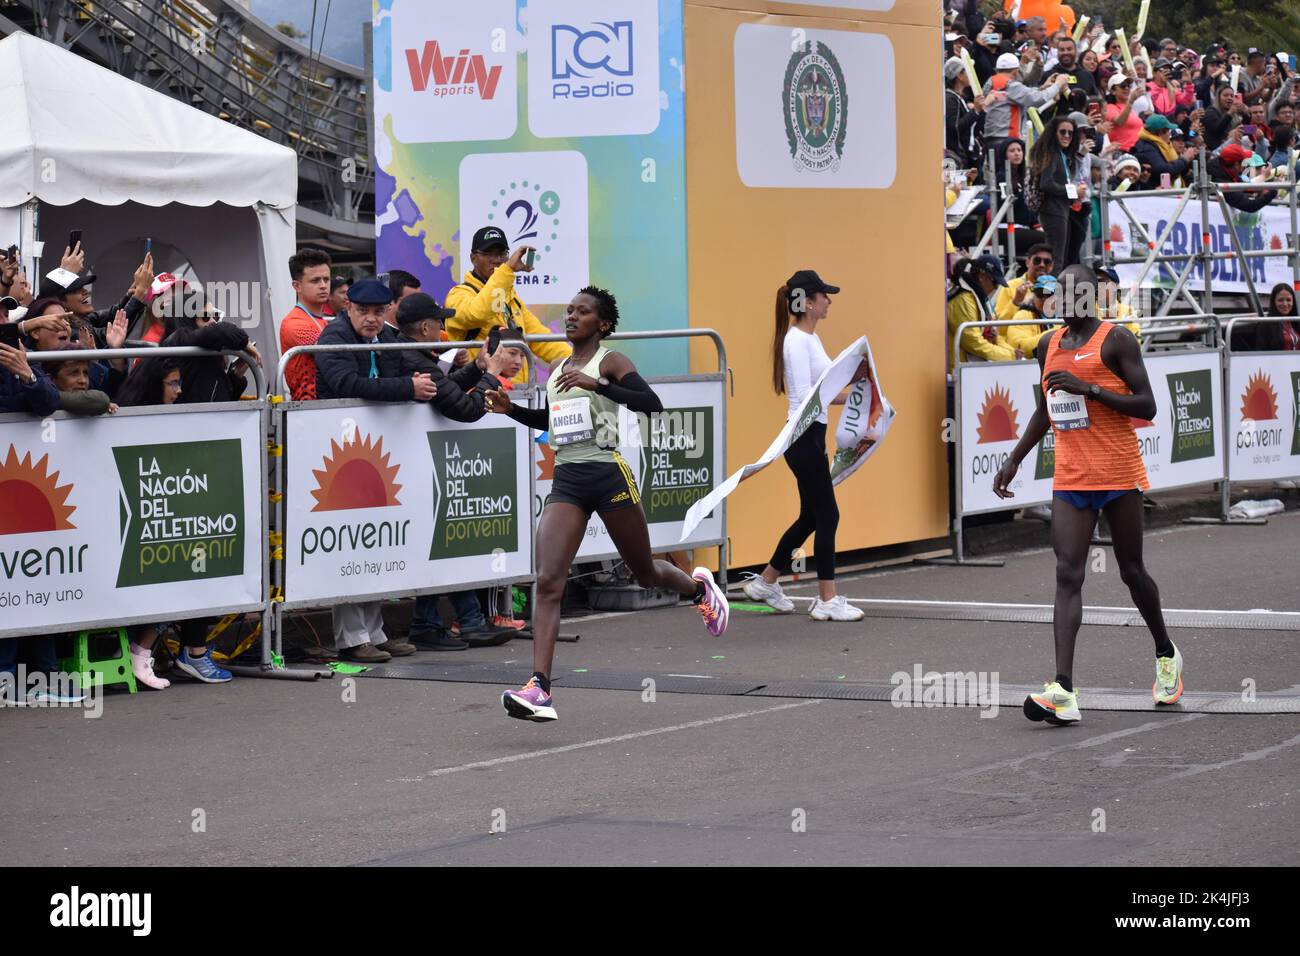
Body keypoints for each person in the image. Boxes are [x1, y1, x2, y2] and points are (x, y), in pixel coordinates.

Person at [486, 287, 729, 722]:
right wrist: (511, 410)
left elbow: (649, 404)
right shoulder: (559, 367)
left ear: (602, 324)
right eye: (570, 310)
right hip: (568, 481)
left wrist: (598, 384)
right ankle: (539, 687)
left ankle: (699, 591)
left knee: (645, 572)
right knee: (548, 580)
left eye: (583, 311)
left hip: (608, 475)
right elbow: (552, 422)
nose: (572, 316)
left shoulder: (610, 362)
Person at [993, 265, 1182, 725]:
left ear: (1093, 296)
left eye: (1076, 290)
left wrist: (1091, 389)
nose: (1067, 297)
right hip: (1072, 477)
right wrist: (1016, 457)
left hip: (1118, 474)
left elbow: (1147, 404)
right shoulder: (1046, 345)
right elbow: (1045, 408)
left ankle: (1165, 652)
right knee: (1067, 573)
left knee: (1131, 571)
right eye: (1061, 290)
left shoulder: (1117, 340)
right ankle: (1063, 689)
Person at [315, 279, 436, 662]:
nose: (371, 319)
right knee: (351, 543)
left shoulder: (387, 335)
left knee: (378, 542)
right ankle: (351, 639)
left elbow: (415, 367)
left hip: (378, 448)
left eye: (378, 312)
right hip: (338, 449)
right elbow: (347, 383)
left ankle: (375, 632)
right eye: (363, 311)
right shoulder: (333, 337)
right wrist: (406, 387)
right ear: (348, 307)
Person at [393, 292, 516, 651]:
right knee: (442, 536)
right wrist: (491, 375)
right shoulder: (413, 357)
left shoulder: (413, 354)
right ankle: (439, 623)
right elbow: (466, 409)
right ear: (426, 327)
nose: (445, 329)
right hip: (414, 465)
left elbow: (447, 390)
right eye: (440, 323)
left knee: (447, 538)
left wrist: (478, 369)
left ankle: (441, 623)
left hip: (421, 461)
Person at [742, 271, 868, 621]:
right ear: (809, 302)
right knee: (828, 514)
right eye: (824, 295)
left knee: (811, 515)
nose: (830, 300)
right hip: (803, 436)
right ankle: (827, 599)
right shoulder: (797, 340)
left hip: (811, 434)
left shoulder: (809, 339)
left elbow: (822, 395)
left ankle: (767, 581)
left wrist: (864, 392)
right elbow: (803, 398)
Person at [445, 226, 572, 383]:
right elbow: (478, 313)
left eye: (501, 254)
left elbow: (542, 339)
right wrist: (507, 270)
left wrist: (580, 362)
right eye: (488, 254)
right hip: (478, 394)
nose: (496, 260)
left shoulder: (511, 298)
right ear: (473, 258)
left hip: (516, 395)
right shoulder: (458, 294)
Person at [162, 305, 260, 404]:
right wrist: (243, 340)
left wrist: (236, 374)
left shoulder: (210, 356)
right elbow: (219, 331)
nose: (213, 321)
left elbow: (221, 400)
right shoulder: (179, 341)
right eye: (205, 317)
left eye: (215, 316)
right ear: (189, 321)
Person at [1030, 115, 1091, 267]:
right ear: (1053, 133)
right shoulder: (1052, 154)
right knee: (1056, 258)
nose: (1067, 136)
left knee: (1060, 256)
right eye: (1062, 132)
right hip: (1053, 210)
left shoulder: (1060, 154)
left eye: (1070, 133)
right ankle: (1051, 290)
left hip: (1060, 209)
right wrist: (1074, 192)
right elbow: (1047, 184)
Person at [983, 52, 1069, 150]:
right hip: (1008, 140)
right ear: (1016, 71)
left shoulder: (992, 82)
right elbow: (1038, 99)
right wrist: (1058, 84)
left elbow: (1021, 96)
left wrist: (1043, 88)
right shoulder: (1011, 86)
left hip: (992, 138)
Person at [279, 247, 333, 401]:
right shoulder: (294, 323)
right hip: (308, 409)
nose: (323, 285)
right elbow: (332, 353)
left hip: (327, 404)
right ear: (297, 286)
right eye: (315, 280)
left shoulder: (322, 321)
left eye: (326, 279)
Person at [947, 254, 1016, 366]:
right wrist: (1011, 356)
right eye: (995, 283)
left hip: (969, 369)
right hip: (959, 375)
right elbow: (973, 343)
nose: (995, 288)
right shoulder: (964, 299)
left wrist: (997, 341)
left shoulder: (976, 297)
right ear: (982, 276)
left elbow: (987, 337)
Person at [1131, 114, 1199, 189]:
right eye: (1177, 140)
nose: (1181, 143)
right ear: (1161, 132)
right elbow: (1164, 170)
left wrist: (1188, 161)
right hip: (1155, 192)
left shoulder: (1164, 146)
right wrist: (1184, 159)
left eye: (1182, 140)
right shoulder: (1147, 147)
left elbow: (1177, 172)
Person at [994, 241, 1053, 323]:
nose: (1042, 265)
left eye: (1047, 262)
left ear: (1051, 266)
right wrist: (1015, 302)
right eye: (1037, 260)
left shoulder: (1056, 290)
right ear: (1027, 262)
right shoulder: (1009, 287)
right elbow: (998, 327)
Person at [1230, 283, 1300, 351]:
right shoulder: (1265, 324)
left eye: (1288, 300)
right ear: (1273, 302)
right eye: (1280, 300)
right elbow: (1261, 353)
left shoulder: (1296, 322)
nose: (1285, 304)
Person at [945, 57, 987, 169]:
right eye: (968, 71)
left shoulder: (960, 98)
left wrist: (980, 111)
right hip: (960, 158)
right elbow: (956, 127)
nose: (971, 75)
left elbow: (974, 129)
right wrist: (975, 111)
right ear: (959, 75)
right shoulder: (950, 99)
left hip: (971, 155)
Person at [1211, 144, 1278, 211]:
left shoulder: (1224, 169)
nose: (1244, 167)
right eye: (1244, 163)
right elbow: (1249, 206)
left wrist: (1262, 186)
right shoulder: (1221, 182)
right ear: (1236, 165)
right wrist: (1273, 191)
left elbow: (1245, 186)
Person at [1004, 273, 1057, 358]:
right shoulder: (1023, 315)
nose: (1044, 299)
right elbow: (1021, 347)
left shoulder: (1064, 317)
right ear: (1034, 295)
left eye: (1049, 294)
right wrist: (1056, 332)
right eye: (1039, 294)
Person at [1104, 73, 1146, 151]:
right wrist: (1130, 102)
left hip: (1139, 149)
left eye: (1128, 86)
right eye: (1123, 86)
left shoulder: (1129, 109)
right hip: (1123, 151)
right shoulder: (1110, 107)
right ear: (1113, 91)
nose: (1127, 88)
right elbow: (1120, 122)